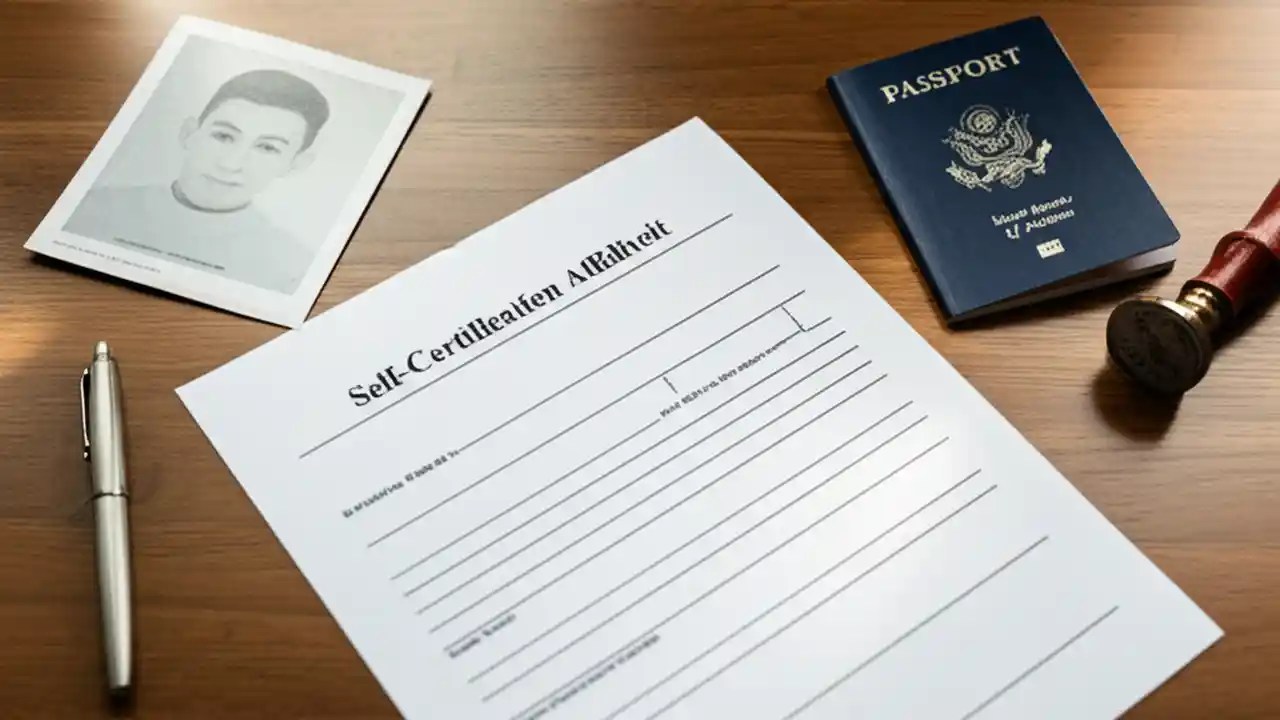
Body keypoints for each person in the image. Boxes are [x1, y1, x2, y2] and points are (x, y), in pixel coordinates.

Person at [65, 68, 330, 295]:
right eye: (224, 136)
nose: (230, 164)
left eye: (268, 148)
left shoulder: (293, 269)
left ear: (295, 164)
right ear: (189, 133)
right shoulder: (89, 207)